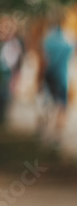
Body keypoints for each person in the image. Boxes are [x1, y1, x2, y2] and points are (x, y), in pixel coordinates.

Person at [42, 10, 73, 142]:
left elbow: (44, 57)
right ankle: (57, 134)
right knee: (61, 105)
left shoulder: (48, 38)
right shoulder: (69, 39)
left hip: (49, 74)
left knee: (48, 102)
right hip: (62, 76)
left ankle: (45, 130)